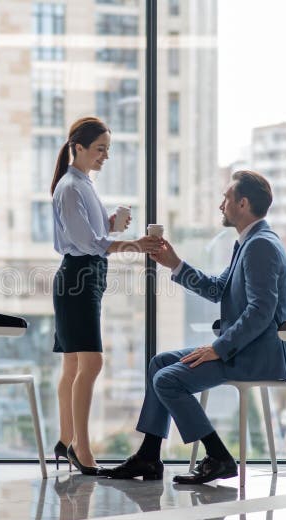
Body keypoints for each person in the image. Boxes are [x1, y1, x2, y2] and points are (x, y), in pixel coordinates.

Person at [104, 170, 286, 484]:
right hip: (244, 350)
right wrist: (175, 264)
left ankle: (219, 456)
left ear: (243, 203)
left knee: (167, 380)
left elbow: (261, 311)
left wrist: (218, 349)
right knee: (159, 363)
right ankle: (149, 457)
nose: (222, 206)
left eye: (226, 199)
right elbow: (219, 289)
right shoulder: (248, 243)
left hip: (254, 356)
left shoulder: (261, 246)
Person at [50, 117, 162, 475]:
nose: (105, 156)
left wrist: (111, 223)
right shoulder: (71, 187)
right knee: (91, 364)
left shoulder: (82, 184)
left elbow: (91, 235)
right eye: (100, 149)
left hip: (84, 276)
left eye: (108, 150)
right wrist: (135, 244)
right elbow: (87, 243)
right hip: (78, 277)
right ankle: (81, 449)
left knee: (73, 366)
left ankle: (65, 440)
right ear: (78, 147)